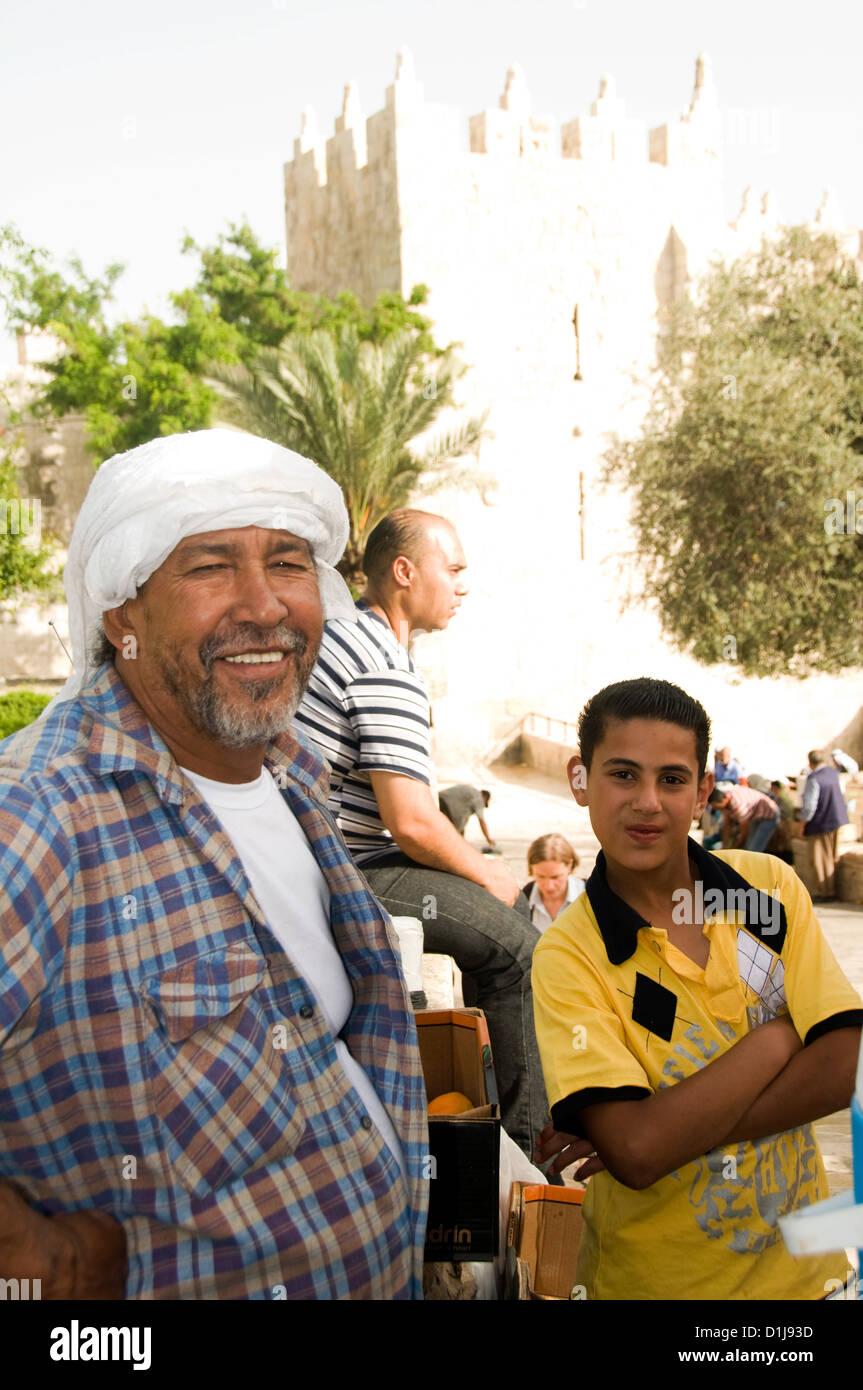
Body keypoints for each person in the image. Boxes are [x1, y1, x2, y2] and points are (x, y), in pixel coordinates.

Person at [0, 429, 428, 1300]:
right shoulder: (43, 812)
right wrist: (41, 1259)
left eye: (288, 563)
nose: (265, 606)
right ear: (122, 611)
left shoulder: (288, 770)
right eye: (208, 567)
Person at [532, 677, 863, 1301]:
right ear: (582, 779)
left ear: (704, 791)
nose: (648, 802)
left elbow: (846, 1064)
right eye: (623, 775)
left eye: (673, 779)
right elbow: (633, 1151)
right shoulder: (569, 953)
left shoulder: (765, 889)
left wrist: (670, 1127)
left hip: (808, 1283)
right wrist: (781, 1037)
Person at [294, 509, 548, 1157]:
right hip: (338, 872)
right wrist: (495, 875)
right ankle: (523, 1159)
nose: (463, 586)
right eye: (453, 569)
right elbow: (410, 822)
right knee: (521, 947)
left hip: (314, 857)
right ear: (403, 573)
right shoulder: (382, 665)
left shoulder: (340, 632)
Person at [794, 749, 849, 901]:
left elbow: (810, 805)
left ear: (810, 762)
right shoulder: (833, 774)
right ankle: (829, 890)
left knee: (819, 858)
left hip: (821, 822)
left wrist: (802, 823)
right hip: (837, 819)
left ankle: (824, 892)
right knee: (830, 856)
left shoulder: (814, 778)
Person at [522, 833, 586, 932]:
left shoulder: (590, 895)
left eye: (555, 877)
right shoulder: (525, 897)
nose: (549, 886)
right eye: (541, 876)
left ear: (569, 865)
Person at [708, 782, 780, 853]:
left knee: (754, 849)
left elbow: (744, 832)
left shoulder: (737, 802)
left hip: (769, 814)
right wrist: (724, 847)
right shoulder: (724, 802)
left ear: (725, 800)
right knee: (749, 847)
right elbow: (727, 825)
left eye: (717, 806)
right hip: (756, 816)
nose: (716, 809)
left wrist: (733, 849)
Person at [438, 783, 496, 848]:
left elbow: (462, 820)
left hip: (440, 799)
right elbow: (481, 821)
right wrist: (488, 839)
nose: (482, 806)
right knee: (448, 838)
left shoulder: (471, 792)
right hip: (446, 806)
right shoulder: (479, 798)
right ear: (485, 797)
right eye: (484, 804)